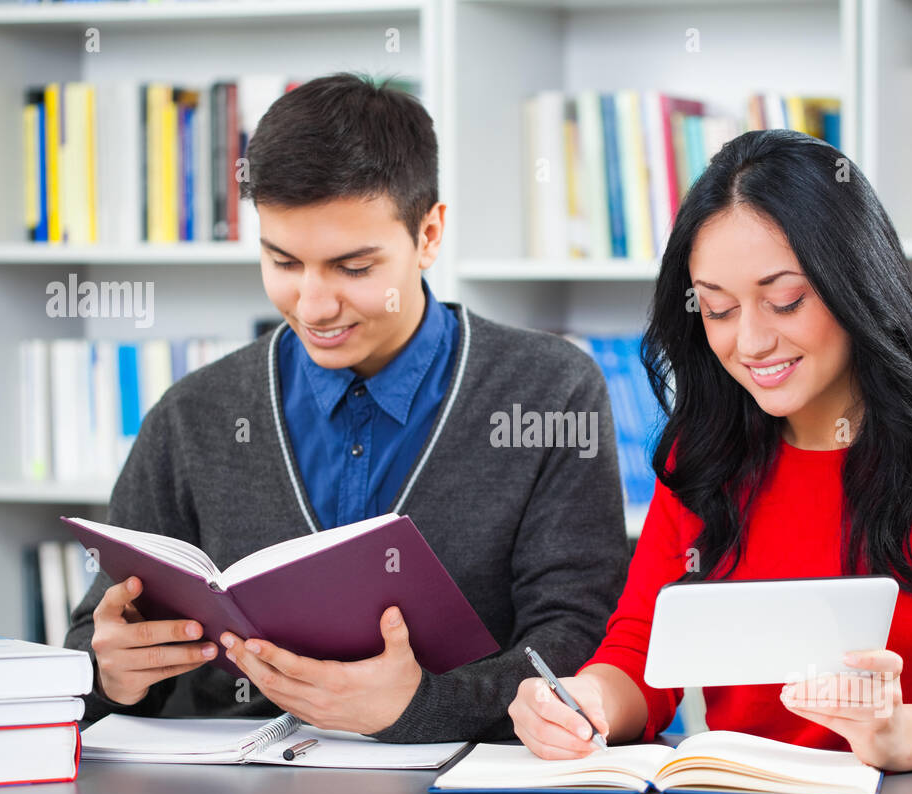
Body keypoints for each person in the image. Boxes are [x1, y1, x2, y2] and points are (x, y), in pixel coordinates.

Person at [64, 73, 630, 742]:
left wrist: (420, 705)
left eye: (353, 268)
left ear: (429, 234)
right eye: (283, 261)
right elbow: (92, 643)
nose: (314, 304)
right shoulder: (194, 415)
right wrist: (109, 674)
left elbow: (575, 647)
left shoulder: (551, 392)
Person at [508, 128, 912, 773]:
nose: (750, 342)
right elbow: (640, 656)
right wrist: (583, 701)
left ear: (855, 281)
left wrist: (898, 736)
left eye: (785, 301)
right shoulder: (705, 447)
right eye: (717, 310)